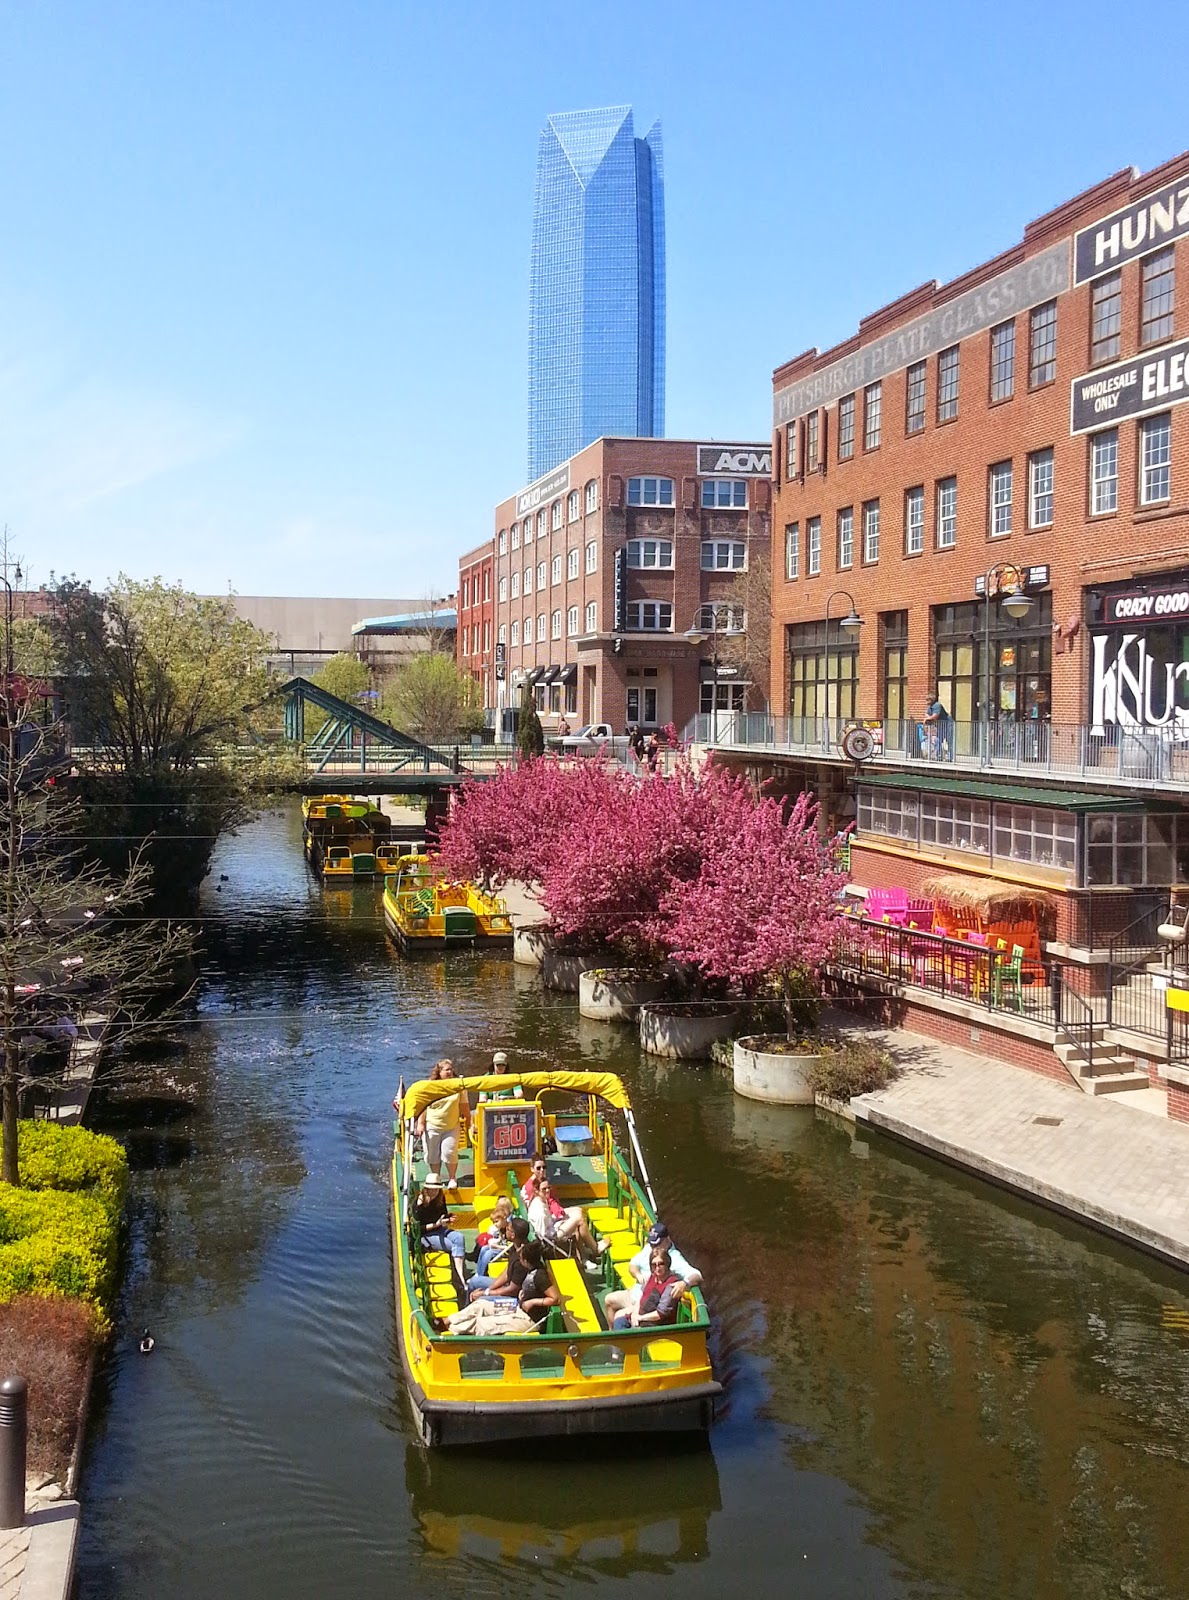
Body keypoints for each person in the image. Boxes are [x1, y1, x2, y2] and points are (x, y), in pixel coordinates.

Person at [604, 1222, 702, 1324]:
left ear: (667, 1239)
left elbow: (697, 1275)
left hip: (647, 1304)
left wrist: (684, 1283)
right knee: (608, 1300)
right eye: (652, 1244)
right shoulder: (650, 1248)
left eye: (657, 1243)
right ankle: (612, 1336)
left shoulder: (675, 1258)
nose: (654, 1247)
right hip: (637, 1293)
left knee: (619, 1317)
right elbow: (632, 1265)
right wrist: (638, 1275)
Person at [414, 1059, 470, 1190]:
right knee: (432, 1154)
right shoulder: (430, 1085)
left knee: (449, 1152)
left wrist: (469, 1123)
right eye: (446, 1070)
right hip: (432, 1125)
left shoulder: (458, 1086)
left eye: (451, 1069)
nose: (450, 1072)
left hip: (451, 1126)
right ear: (439, 1072)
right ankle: (436, 1177)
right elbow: (423, 1106)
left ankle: (452, 1178)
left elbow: (465, 1106)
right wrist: (420, 1123)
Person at [527, 1177, 605, 1264]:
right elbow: (543, 1236)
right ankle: (595, 1248)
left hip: (551, 1225)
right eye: (544, 1189)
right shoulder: (540, 1212)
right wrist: (561, 1224)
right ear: (536, 1191)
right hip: (552, 1237)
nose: (547, 1190)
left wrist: (559, 1220)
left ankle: (586, 1250)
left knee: (578, 1210)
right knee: (579, 1218)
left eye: (549, 1187)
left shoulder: (541, 1199)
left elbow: (548, 1220)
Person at [611, 1245, 685, 1332]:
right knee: (619, 1321)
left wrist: (640, 1318)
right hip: (641, 1318)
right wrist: (635, 1313)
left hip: (653, 1326)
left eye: (661, 1264)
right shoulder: (653, 1277)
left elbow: (660, 1314)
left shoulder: (671, 1284)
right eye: (654, 1265)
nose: (657, 1268)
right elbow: (642, 1297)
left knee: (623, 1333)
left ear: (667, 1263)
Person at [413, 1175, 466, 1290]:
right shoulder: (419, 1204)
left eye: (436, 1189)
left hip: (440, 1229)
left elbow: (443, 1215)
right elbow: (418, 1229)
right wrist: (436, 1225)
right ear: (425, 1189)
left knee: (459, 1238)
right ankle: (459, 1278)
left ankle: (460, 1274)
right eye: (431, 1189)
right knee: (454, 1246)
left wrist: (448, 1218)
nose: (433, 1192)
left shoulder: (440, 1199)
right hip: (426, 1235)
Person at [469, 1217, 531, 1301]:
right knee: (474, 1282)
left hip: (514, 1297)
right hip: (506, 1286)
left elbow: (512, 1290)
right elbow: (506, 1272)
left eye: (508, 1229)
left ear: (513, 1235)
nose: (505, 1229)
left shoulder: (522, 1259)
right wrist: (489, 1289)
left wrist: (485, 1293)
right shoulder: (515, 1246)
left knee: (481, 1299)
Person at [515, 1239, 560, 1326]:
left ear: (525, 1261)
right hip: (522, 1311)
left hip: (531, 1320)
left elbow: (555, 1299)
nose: (519, 1259)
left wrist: (532, 1302)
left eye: (520, 1258)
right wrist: (524, 1291)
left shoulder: (540, 1276)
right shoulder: (532, 1269)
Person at [923, 691, 953, 762]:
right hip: (940, 725)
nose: (926, 702)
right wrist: (927, 718)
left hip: (948, 724)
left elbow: (935, 716)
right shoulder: (929, 707)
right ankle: (939, 756)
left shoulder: (937, 705)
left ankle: (950, 757)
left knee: (949, 740)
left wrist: (927, 718)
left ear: (931, 700)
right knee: (938, 740)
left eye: (927, 700)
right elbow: (926, 714)